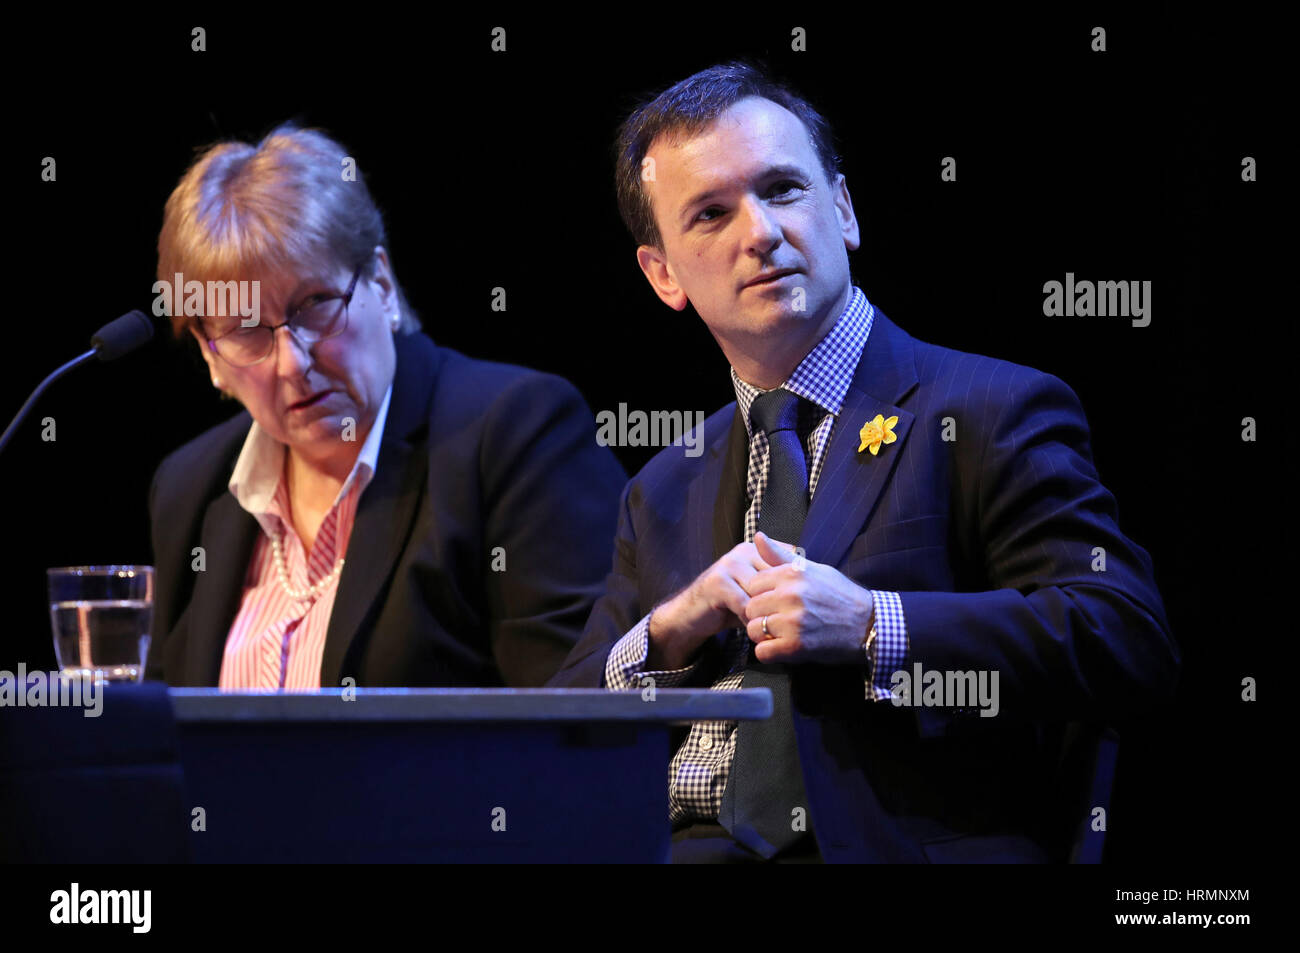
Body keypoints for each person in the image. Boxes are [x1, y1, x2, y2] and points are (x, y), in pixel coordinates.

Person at [548, 62, 1180, 862]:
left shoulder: (983, 409)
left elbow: (1127, 637)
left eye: (782, 190)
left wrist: (877, 625)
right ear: (663, 274)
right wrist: (669, 633)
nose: (761, 232)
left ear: (842, 209)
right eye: (711, 213)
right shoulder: (663, 486)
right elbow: (551, 726)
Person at [146, 122, 626, 689]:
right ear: (209, 352)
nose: (292, 363)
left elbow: (573, 718)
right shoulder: (190, 487)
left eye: (315, 304)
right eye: (247, 331)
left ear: (381, 283)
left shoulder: (514, 434)